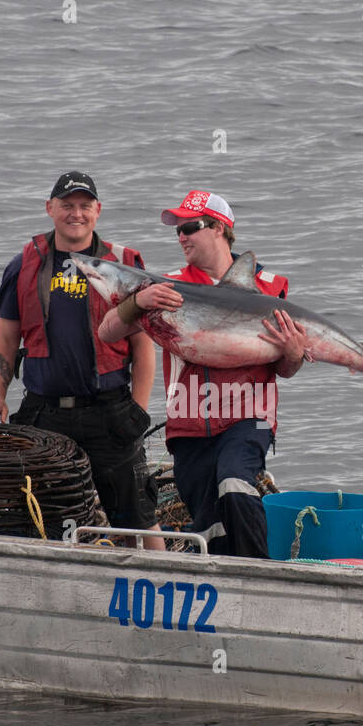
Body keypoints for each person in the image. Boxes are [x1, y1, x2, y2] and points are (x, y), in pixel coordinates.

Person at [98, 190, 307, 558]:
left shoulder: (269, 286)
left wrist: (294, 355)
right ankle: (224, 589)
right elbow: (108, 332)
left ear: (220, 229)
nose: (181, 236)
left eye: (190, 227)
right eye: (177, 230)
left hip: (249, 419)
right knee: (209, 525)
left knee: (235, 484)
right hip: (188, 426)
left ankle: (261, 575)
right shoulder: (166, 287)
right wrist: (137, 302)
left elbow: (286, 368)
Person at [0, 171, 163, 549]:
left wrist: (138, 412)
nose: (75, 213)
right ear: (50, 209)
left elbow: (145, 348)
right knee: (46, 518)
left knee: (138, 518)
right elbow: (7, 337)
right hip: (44, 414)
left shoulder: (123, 263)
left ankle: (163, 585)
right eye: (66, 205)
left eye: (84, 206)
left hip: (111, 411)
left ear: (98, 211)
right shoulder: (24, 264)